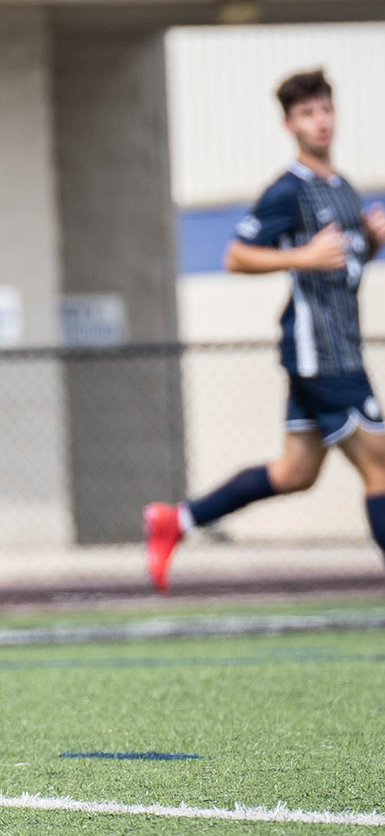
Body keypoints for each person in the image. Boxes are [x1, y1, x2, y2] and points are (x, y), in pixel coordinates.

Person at [147, 68, 385, 590]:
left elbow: (341, 267)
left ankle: (177, 520)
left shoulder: (343, 187)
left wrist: (368, 242)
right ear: (288, 124)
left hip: (339, 346)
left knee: (295, 473)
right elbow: (236, 255)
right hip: (319, 352)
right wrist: (303, 254)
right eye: (306, 113)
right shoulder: (287, 190)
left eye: (325, 109)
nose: (319, 121)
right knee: (381, 470)